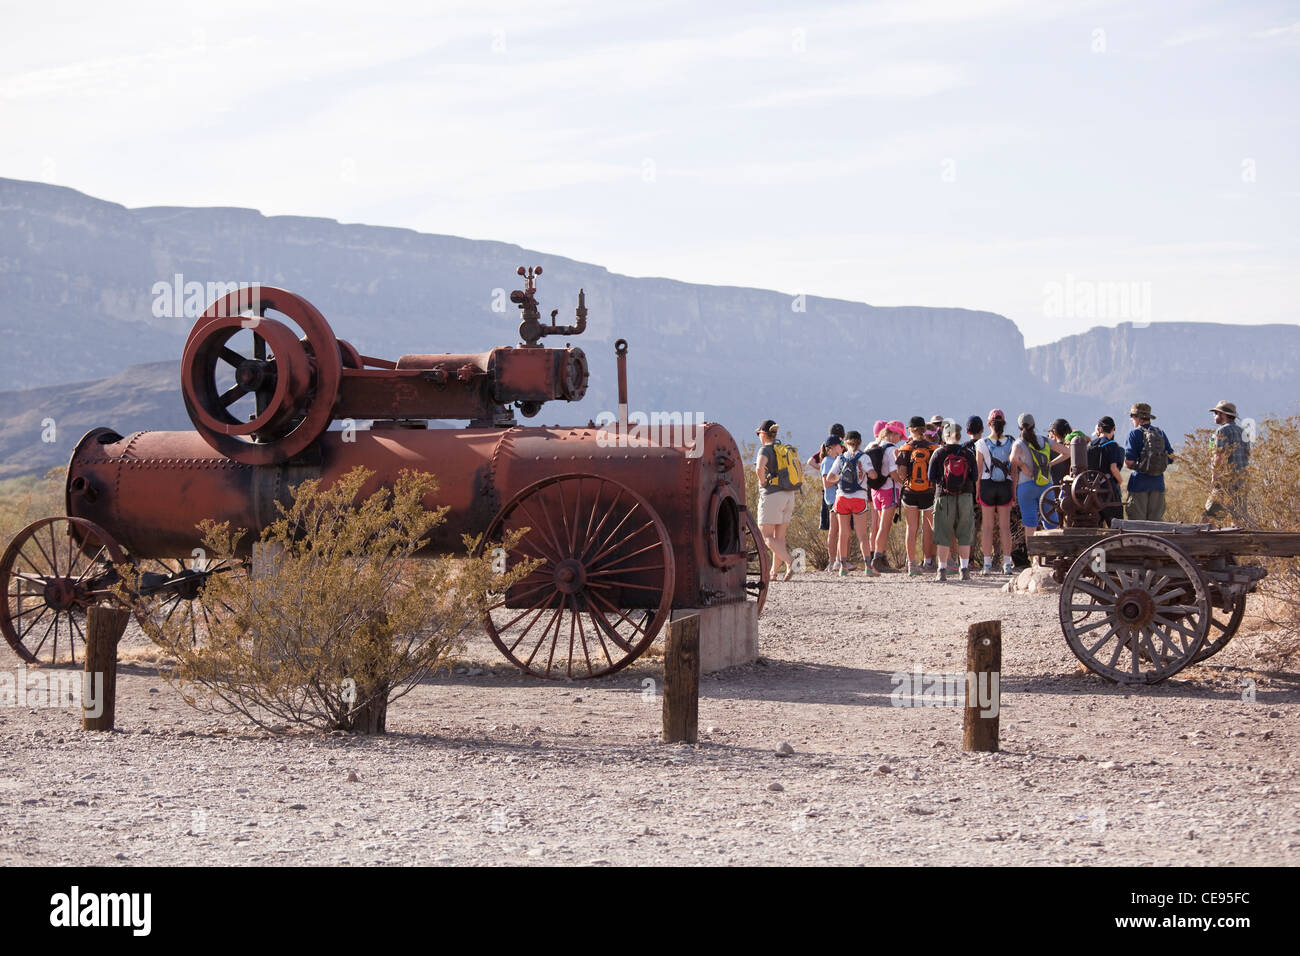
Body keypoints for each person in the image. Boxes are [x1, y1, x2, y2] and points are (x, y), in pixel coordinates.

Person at [824, 430, 879, 577]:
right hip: (859, 498)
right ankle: (868, 567)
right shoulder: (864, 457)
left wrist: (841, 478)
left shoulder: (840, 458)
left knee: (844, 533)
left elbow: (829, 478)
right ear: (860, 442)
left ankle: (842, 567)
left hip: (841, 498)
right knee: (862, 534)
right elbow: (873, 474)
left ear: (845, 443)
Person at [928, 419, 977, 581]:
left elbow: (931, 477)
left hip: (943, 497)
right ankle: (964, 569)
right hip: (965, 497)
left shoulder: (939, 453)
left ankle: (942, 570)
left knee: (943, 534)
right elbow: (975, 476)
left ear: (945, 435)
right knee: (964, 534)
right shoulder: (968, 453)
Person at [754, 419, 799, 580]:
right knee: (778, 538)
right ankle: (773, 573)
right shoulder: (782, 449)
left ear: (764, 434)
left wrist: (763, 482)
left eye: (759, 433)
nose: (758, 436)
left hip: (772, 495)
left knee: (765, 536)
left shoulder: (765, 450)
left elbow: (759, 468)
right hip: (789, 495)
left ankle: (790, 562)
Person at [894, 416, 938, 576]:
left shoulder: (905, 449)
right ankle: (939, 562)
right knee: (933, 528)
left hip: (910, 493)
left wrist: (905, 484)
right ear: (923, 429)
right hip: (929, 493)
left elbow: (901, 473)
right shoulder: (933, 448)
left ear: (910, 430)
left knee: (911, 528)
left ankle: (911, 564)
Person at [975, 408, 1016, 575]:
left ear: (988, 424)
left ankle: (987, 564)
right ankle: (1007, 563)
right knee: (1005, 527)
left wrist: (977, 490)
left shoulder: (981, 443)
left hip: (987, 485)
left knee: (987, 526)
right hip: (1005, 485)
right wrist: (1014, 491)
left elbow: (978, 471)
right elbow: (1014, 471)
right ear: (1004, 423)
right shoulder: (1012, 442)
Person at [1123, 402, 1174, 521]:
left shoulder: (1134, 434)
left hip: (1139, 484)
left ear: (1138, 418)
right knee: (1156, 526)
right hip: (1158, 484)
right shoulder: (1160, 433)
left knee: (1137, 526)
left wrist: (1138, 466)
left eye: (1132, 416)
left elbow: (1129, 462)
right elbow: (1171, 457)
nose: (1131, 419)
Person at [1011, 413, 1057, 541]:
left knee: (1030, 523)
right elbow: (1067, 452)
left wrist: (1023, 466)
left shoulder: (1019, 443)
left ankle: (1034, 557)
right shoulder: (1044, 440)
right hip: (1046, 485)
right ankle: (1054, 554)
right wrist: (1051, 463)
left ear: (1020, 427)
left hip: (1025, 486)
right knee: (1051, 522)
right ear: (1034, 425)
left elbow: (1013, 459)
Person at [866, 420, 904, 573]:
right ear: (893, 434)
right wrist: (905, 483)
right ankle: (878, 559)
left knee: (881, 524)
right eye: (899, 435)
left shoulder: (877, 446)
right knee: (884, 526)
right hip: (889, 489)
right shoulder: (891, 449)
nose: (900, 439)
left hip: (876, 490)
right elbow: (894, 473)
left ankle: (878, 556)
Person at [1204, 400, 1250, 526]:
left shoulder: (1222, 431)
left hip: (1226, 480)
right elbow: (1247, 455)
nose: (1214, 415)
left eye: (1215, 413)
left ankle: (1206, 542)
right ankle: (1238, 542)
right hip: (1242, 479)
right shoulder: (1243, 432)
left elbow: (1219, 455)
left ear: (1223, 415)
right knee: (1238, 515)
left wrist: (1215, 475)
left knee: (1209, 515)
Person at [1087, 416, 1125, 527]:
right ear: (1113, 429)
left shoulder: (1091, 445)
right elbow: (1113, 468)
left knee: (1097, 525)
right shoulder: (1112, 445)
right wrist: (1120, 481)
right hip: (1109, 490)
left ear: (1099, 429)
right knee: (1116, 526)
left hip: (1092, 490)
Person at [817, 435, 848, 570]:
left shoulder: (835, 460)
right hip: (833, 499)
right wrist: (841, 478)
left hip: (837, 498)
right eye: (839, 445)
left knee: (840, 530)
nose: (842, 447)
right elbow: (827, 483)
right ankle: (833, 561)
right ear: (832, 447)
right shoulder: (827, 461)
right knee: (835, 530)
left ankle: (838, 560)